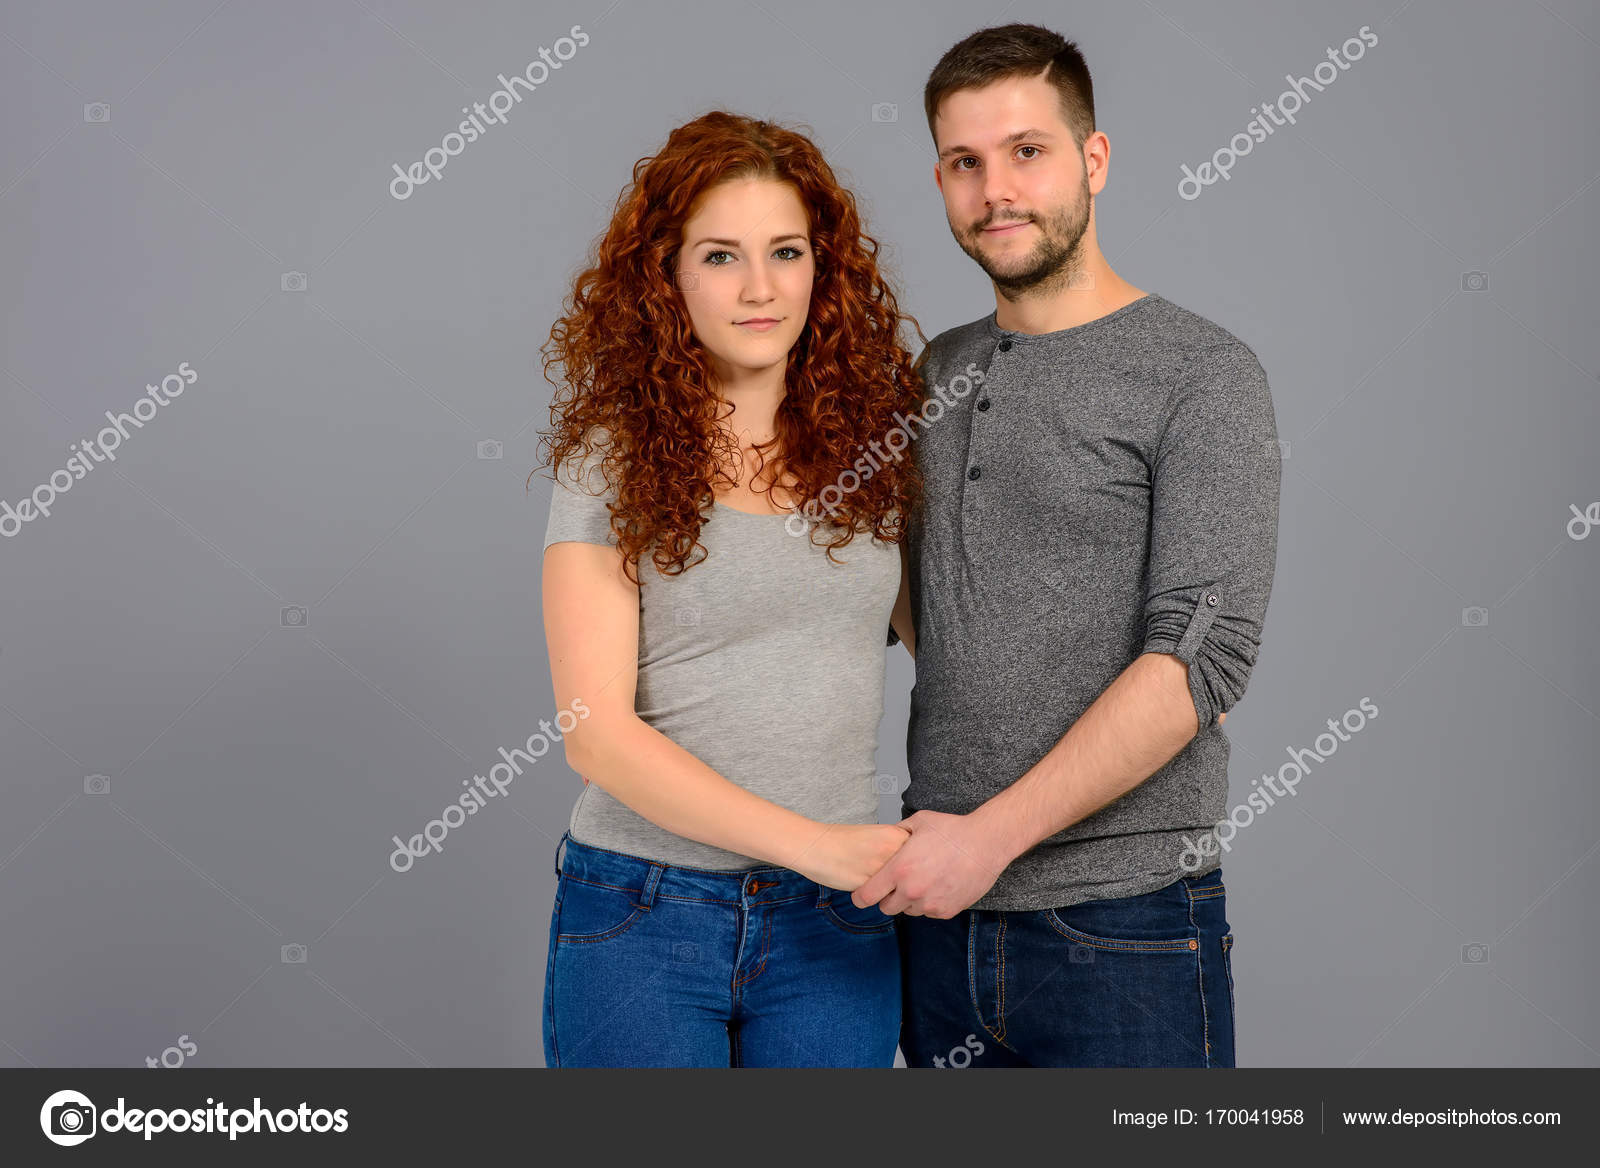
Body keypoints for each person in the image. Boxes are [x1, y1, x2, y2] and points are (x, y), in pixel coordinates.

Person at [859, 23, 1281, 1068]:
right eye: (966, 162)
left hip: (1123, 925)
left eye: (1027, 151)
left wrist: (986, 838)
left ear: (1093, 159)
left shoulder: (1201, 373)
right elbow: (930, 613)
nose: (996, 189)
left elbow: (1199, 665)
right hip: (936, 919)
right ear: (941, 179)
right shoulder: (932, 375)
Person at [535, 110, 926, 1068]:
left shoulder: (878, 453)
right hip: (645, 913)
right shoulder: (611, 461)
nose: (760, 288)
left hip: (837, 922)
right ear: (666, 276)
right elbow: (595, 732)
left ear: (821, 268)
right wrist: (815, 844)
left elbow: (950, 651)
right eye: (720, 256)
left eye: (785, 251)